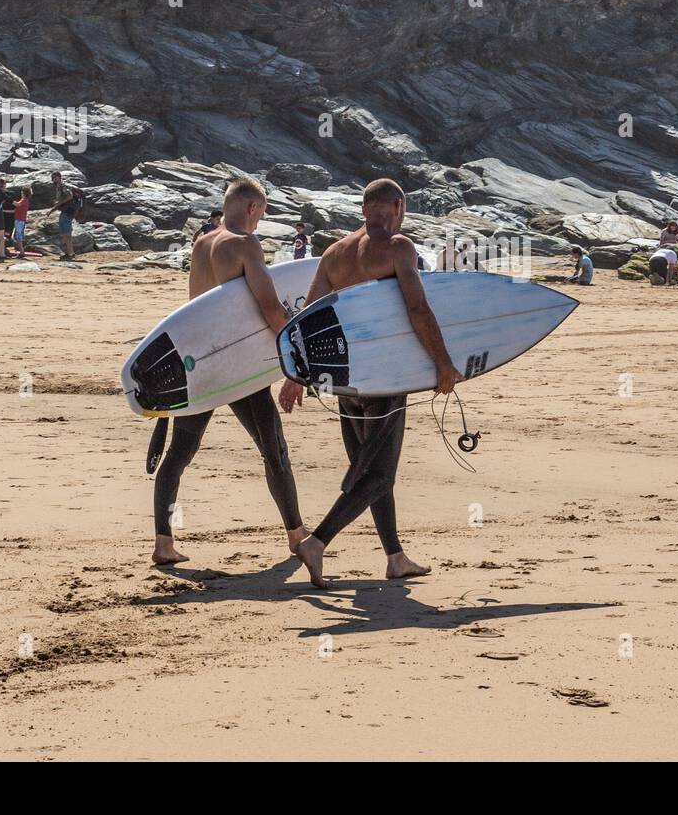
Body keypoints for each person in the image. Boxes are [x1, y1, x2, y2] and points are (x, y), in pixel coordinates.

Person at [279, 178, 461, 589]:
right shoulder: (399, 248)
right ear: (397, 206)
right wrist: (443, 364)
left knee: (370, 470)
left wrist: (296, 374)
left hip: (346, 381)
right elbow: (417, 308)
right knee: (378, 475)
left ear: (364, 209)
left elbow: (307, 318)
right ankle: (317, 542)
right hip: (384, 376)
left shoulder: (333, 254)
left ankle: (395, 557)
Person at [151, 176, 309, 566]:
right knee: (275, 451)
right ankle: (296, 535)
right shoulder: (244, 244)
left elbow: (199, 305)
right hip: (235, 364)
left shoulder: (202, 243)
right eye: (262, 214)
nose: (259, 223)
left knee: (180, 452)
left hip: (196, 360)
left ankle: (163, 543)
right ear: (252, 208)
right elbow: (270, 308)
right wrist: (292, 350)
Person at [47, 171, 81, 261]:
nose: (53, 180)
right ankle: (70, 252)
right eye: (52, 178)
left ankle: (70, 253)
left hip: (68, 211)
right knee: (64, 233)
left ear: (59, 177)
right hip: (66, 211)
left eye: (54, 177)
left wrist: (60, 203)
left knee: (66, 233)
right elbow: (60, 202)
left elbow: (70, 196)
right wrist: (52, 210)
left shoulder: (63, 185)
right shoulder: (59, 187)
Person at [12, 184, 32, 258]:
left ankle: (21, 252)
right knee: (18, 236)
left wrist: (9, 200)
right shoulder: (24, 200)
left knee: (18, 237)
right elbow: (15, 210)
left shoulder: (24, 200)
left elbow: (17, 205)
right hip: (20, 220)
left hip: (19, 221)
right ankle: (21, 251)